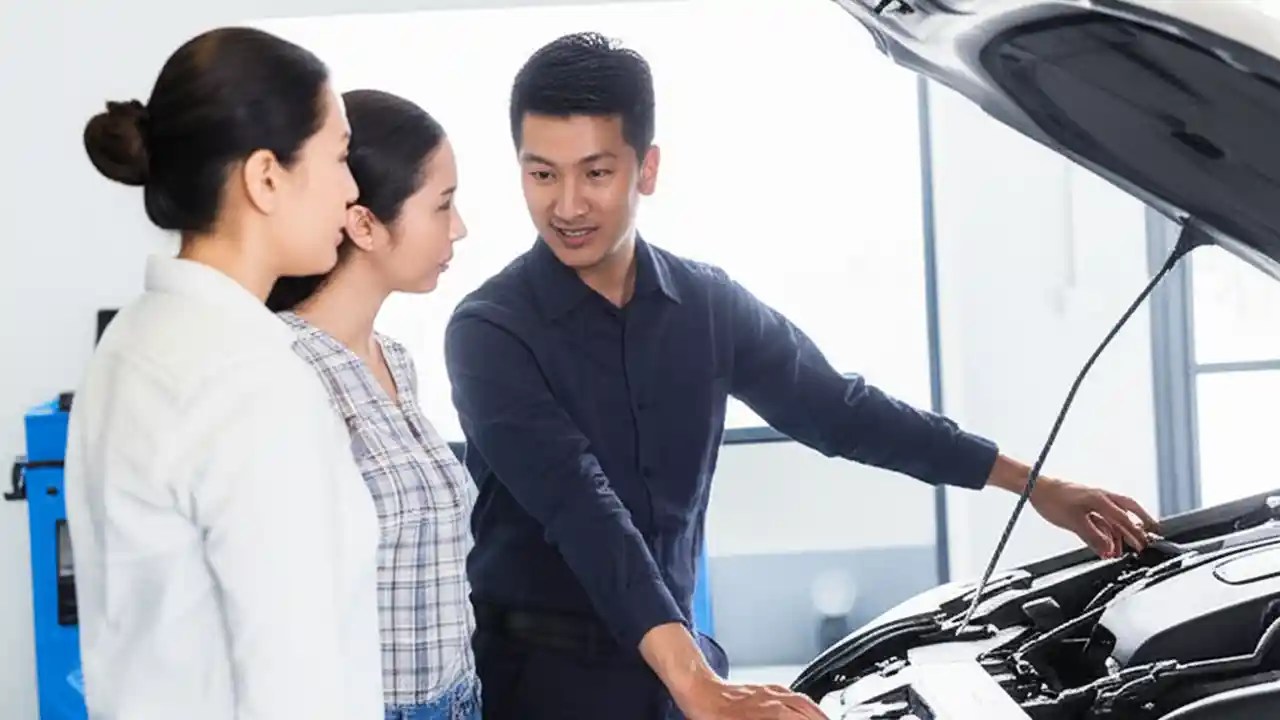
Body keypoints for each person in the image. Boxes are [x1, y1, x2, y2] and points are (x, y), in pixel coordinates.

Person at [442, 31, 1160, 720]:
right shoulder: (488, 333)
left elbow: (841, 411)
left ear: (647, 168)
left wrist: (1034, 484)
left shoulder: (707, 306)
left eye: (596, 172)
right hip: (542, 688)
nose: (567, 206)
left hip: (679, 680)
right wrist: (697, 684)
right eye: (542, 174)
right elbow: (583, 509)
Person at [65, 27, 383, 720]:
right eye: (338, 157)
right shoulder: (249, 380)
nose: (353, 189)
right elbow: (294, 687)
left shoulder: (132, 342)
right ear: (266, 177)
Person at [265, 89, 478, 720]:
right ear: (363, 224)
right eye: (442, 205)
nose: (459, 227)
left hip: (460, 698)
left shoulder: (397, 361)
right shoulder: (289, 367)